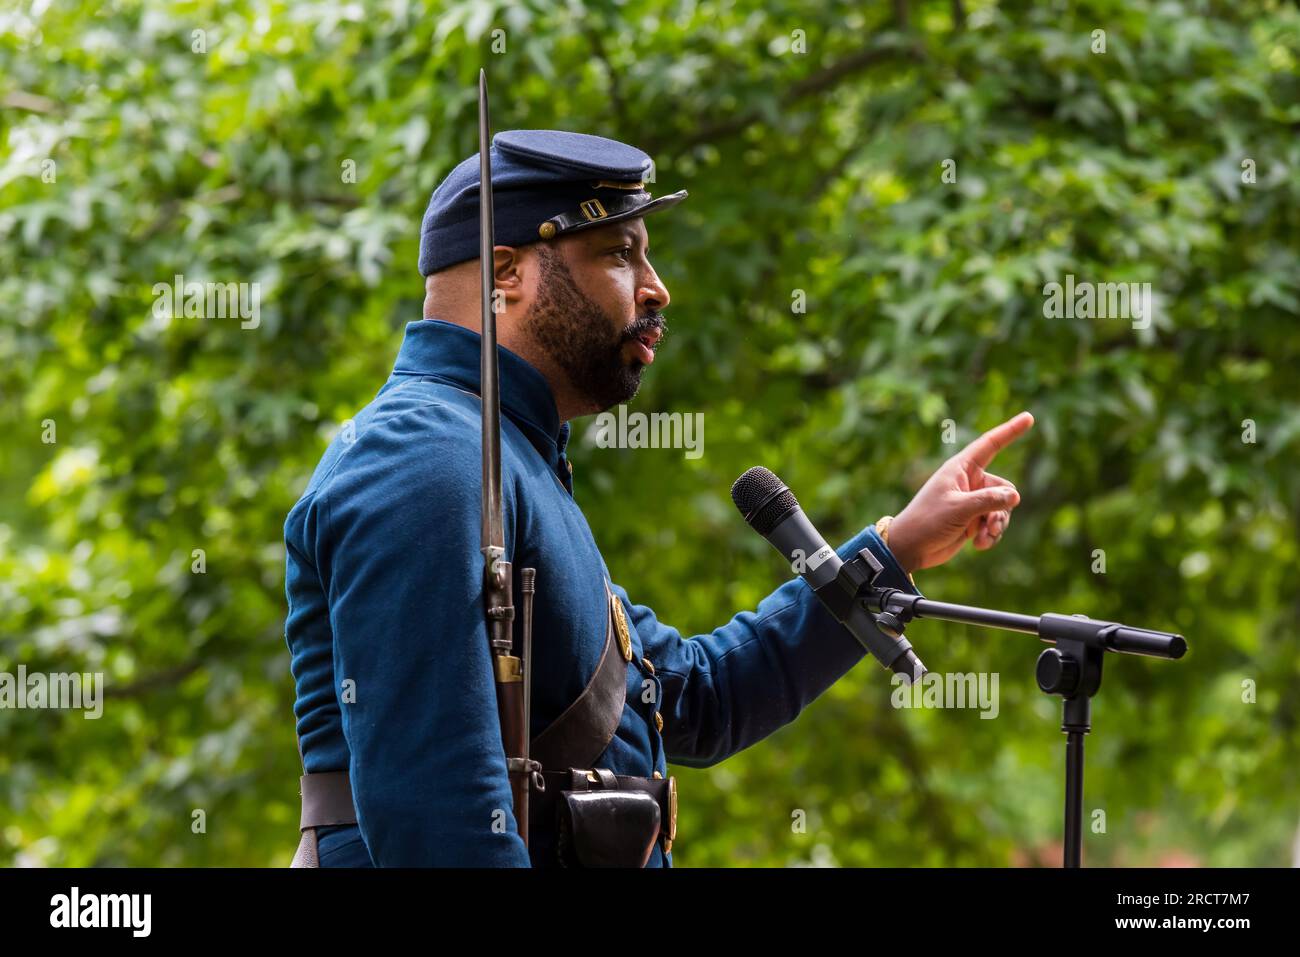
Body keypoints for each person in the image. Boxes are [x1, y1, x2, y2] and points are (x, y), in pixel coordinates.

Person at [283, 129, 1033, 867]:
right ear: (504, 272)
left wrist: (895, 548)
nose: (656, 285)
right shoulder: (427, 455)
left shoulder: (510, 460)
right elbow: (436, 815)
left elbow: (696, 699)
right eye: (619, 252)